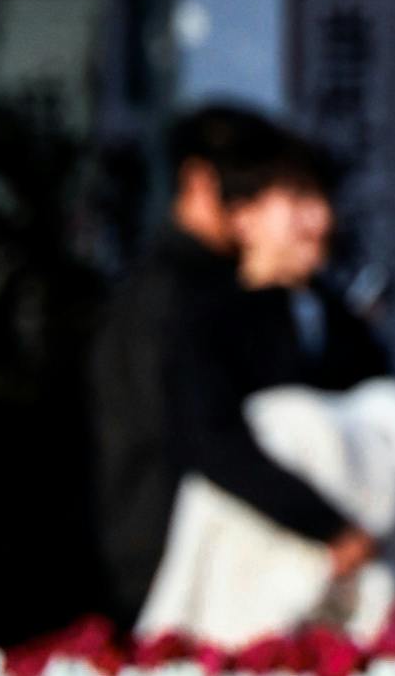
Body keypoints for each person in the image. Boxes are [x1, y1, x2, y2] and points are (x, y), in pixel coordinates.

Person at [143, 127, 395, 644]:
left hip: (352, 579)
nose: (319, 222)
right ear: (244, 216)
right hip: (245, 573)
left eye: (322, 201)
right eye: (299, 200)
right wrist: (327, 527)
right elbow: (210, 439)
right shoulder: (205, 317)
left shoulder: (341, 323)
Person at [90, 97, 275, 618]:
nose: (256, 211)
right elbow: (193, 433)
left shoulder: (187, 284)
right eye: (249, 189)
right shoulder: (175, 294)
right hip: (169, 558)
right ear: (198, 180)